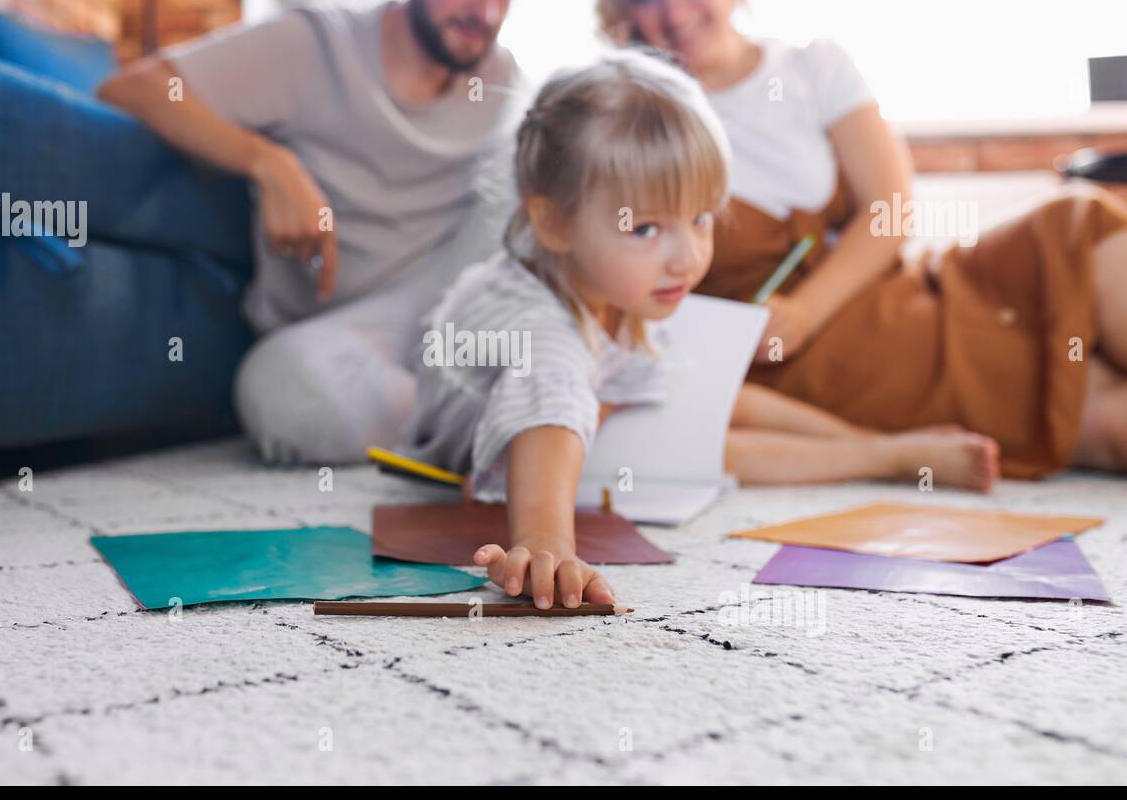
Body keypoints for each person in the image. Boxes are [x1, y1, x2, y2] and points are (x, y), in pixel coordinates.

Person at [399, 50, 1000, 611]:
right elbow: (548, 406)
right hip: (496, 450)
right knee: (690, 443)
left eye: (702, 218)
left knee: (709, 401)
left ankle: (882, 442)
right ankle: (889, 457)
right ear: (553, 224)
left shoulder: (612, 278)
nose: (687, 258)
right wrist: (546, 542)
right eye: (645, 229)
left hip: (592, 386)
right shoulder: (541, 327)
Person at [596, 0, 1127, 478]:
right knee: (1103, 417)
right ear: (622, 6)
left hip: (921, 289)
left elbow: (891, 207)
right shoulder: (631, 121)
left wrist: (802, 311)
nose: (674, 12)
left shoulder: (812, 66)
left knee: (1079, 222)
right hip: (835, 367)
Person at [97, 0, 540, 463]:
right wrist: (268, 162)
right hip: (341, 338)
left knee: (543, 160)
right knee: (281, 393)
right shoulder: (314, 42)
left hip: (449, 315)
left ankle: (494, 416)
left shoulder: (503, 85)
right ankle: (478, 427)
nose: (486, 10)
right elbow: (132, 89)